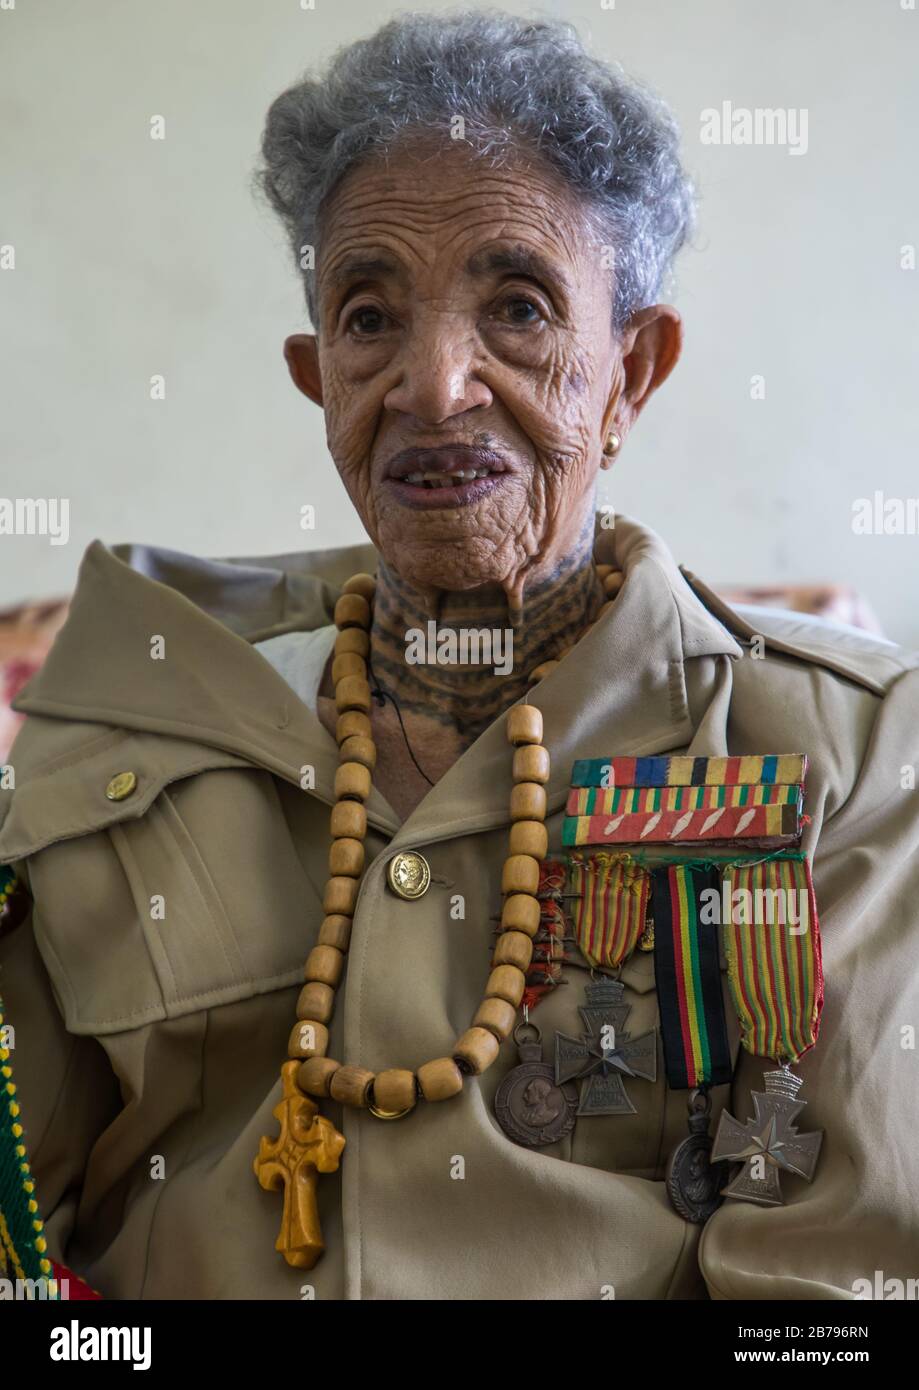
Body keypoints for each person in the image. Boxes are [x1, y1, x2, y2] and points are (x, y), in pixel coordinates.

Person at [1, 9, 918, 1302]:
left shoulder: (852, 752)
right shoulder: (134, 713)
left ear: (630, 375)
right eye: (371, 316)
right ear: (319, 377)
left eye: (519, 307)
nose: (434, 385)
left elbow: (834, 1297)